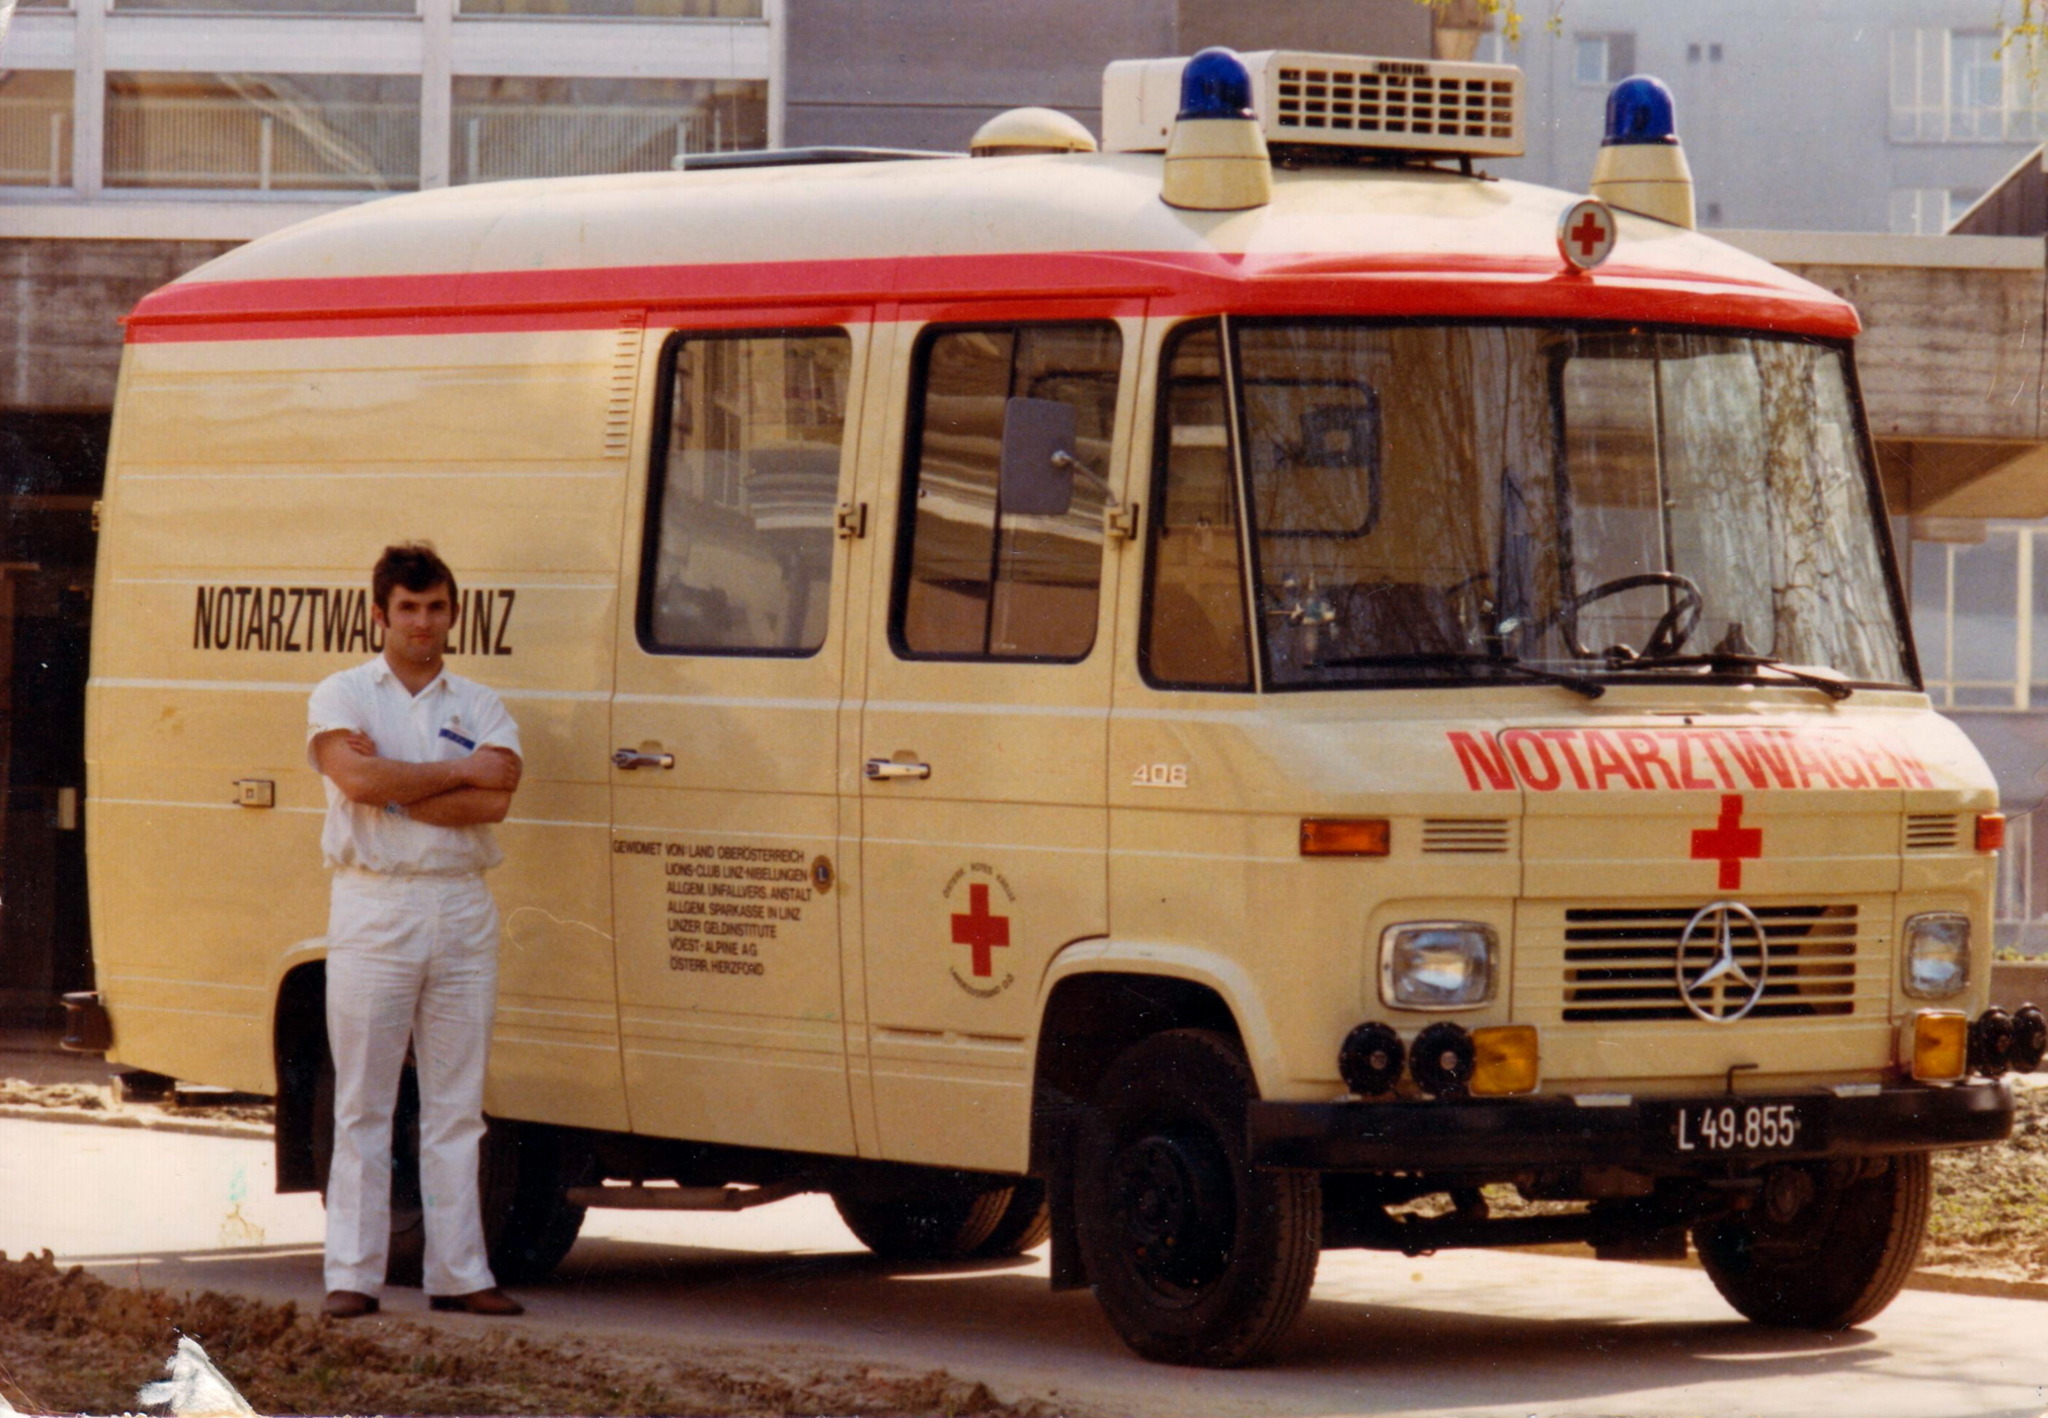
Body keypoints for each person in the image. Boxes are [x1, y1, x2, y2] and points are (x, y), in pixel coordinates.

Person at [307, 542, 526, 1319]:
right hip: (375, 904)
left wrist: (395, 786)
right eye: (407, 608)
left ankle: (461, 1275)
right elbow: (355, 778)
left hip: (461, 904)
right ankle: (353, 1277)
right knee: (364, 1100)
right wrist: (447, 777)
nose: (422, 623)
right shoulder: (343, 694)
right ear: (380, 614)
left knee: (458, 1103)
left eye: (435, 607)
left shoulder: (481, 706)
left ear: (452, 612)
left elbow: (494, 801)